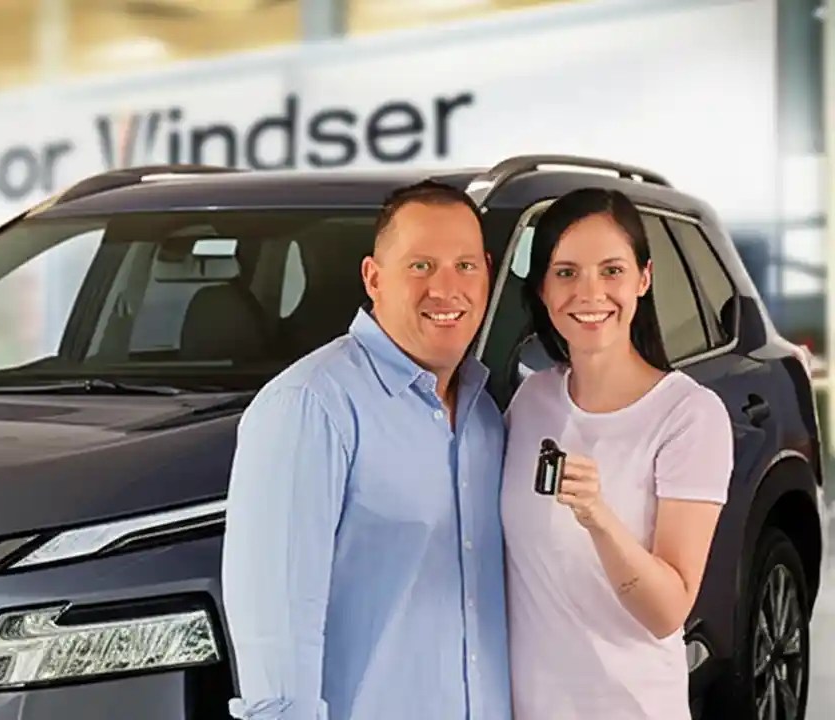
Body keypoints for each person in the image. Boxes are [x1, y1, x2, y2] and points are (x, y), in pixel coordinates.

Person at [221, 180, 512, 720]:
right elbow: (277, 632)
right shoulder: (310, 406)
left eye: (465, 265)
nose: (447, 288)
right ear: (373, 279)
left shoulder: (485, 419)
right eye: (421, 266)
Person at [500, 187, 734, 719]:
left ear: (643, 279)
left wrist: (599, 519)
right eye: (565, 272)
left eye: (611, 271)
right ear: (541, 288)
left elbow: (666, 612)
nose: (589, 293)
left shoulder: (688, 417)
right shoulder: (532, 399)